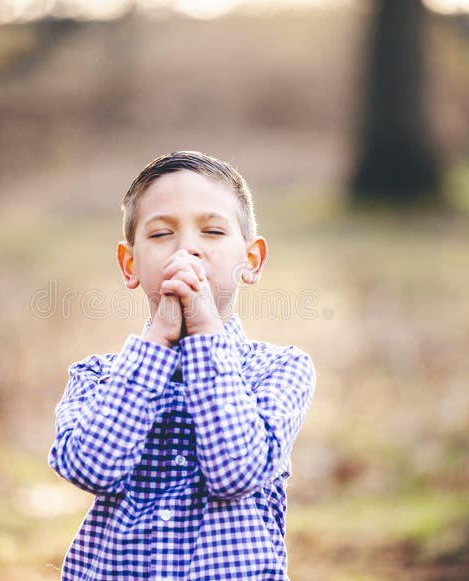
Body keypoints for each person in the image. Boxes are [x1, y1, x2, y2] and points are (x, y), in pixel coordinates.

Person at [49, 151, 316, 580]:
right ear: (129, 264)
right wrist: (157, 340)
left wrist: (206, 332)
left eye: (211, 230)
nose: (187, 248)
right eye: (160, 234)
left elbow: (236, 472)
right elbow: (91, 468)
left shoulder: (279, 370)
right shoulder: (96, 377)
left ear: (252, 261)